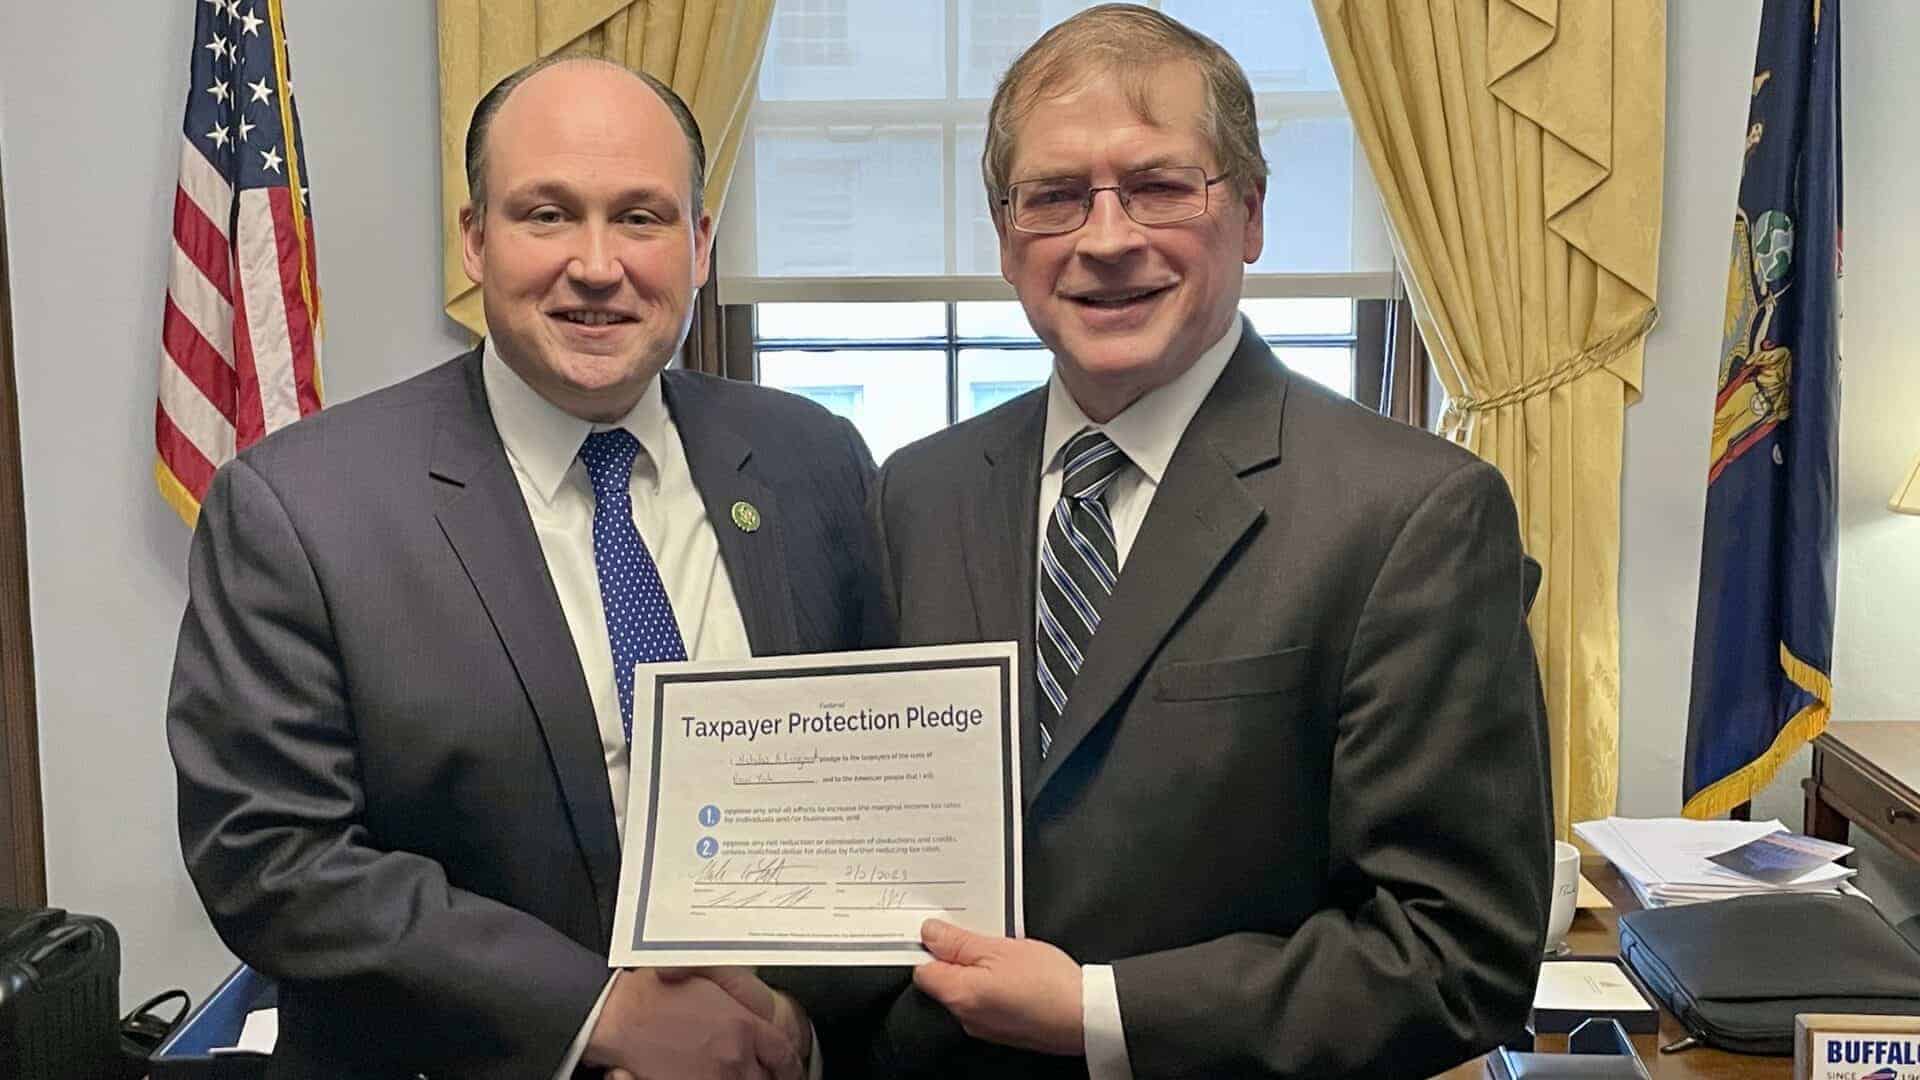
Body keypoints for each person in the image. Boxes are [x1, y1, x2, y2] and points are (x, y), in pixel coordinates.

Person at [858, 5, 1553, 1076]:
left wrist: (1096, 1012)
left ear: (1252, 214)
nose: (1105, 239)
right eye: (1054, 196)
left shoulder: (1415, 514)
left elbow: (1455, 956)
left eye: (1159, 186)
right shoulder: (917, 490)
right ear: (1005, 236)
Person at [168, 56, 885, 1080]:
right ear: (475, 239)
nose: (596, 265)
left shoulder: (815, 459)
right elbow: (270, 856)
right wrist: (598, 1016)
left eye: (640, 217)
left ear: (699, 244)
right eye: (547, 215)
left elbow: (873, 784)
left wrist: (796, 1028)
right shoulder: (300, 507)